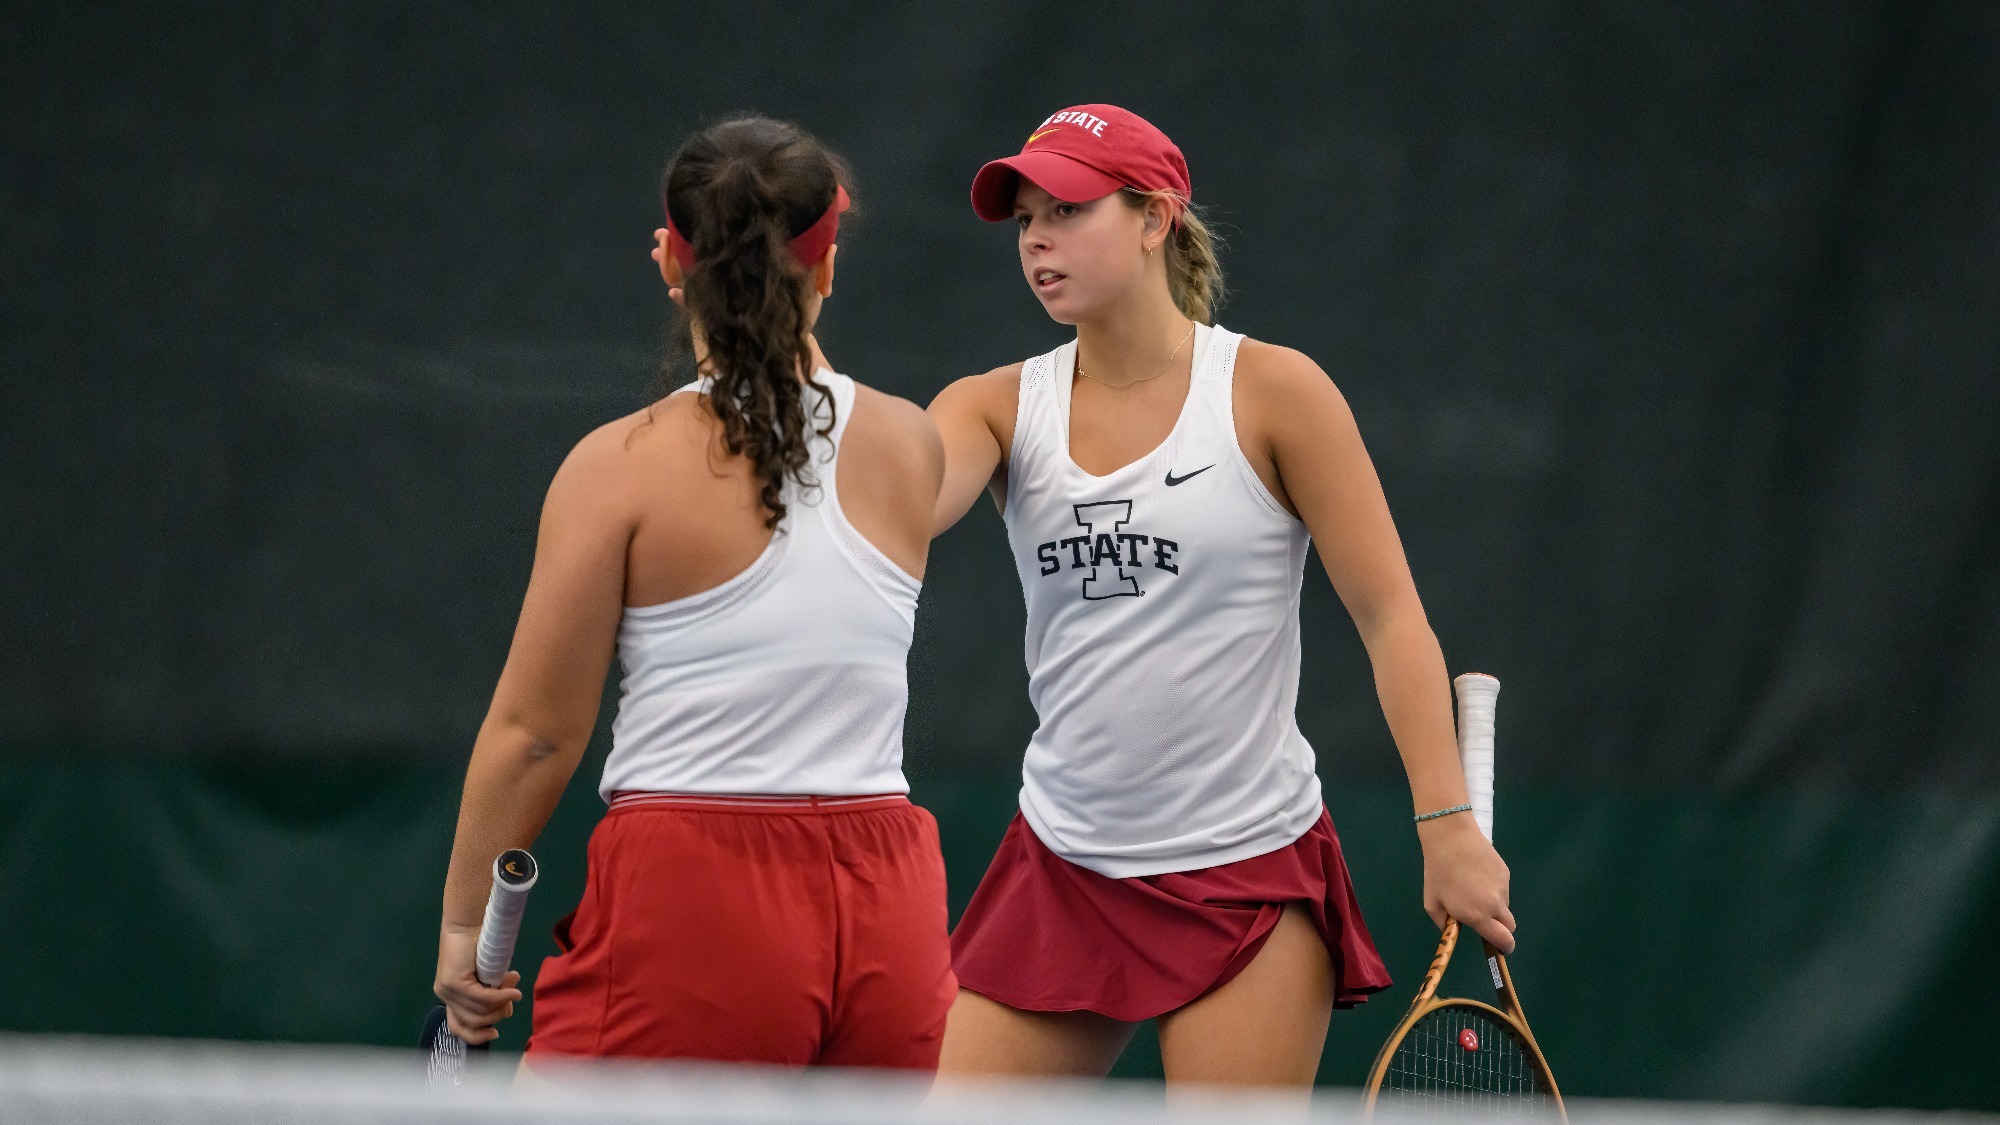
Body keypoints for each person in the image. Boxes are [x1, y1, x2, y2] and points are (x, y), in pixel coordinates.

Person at [926, 104, 1516, 1088]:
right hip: (1062, 866)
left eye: (1067, 209)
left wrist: (1446, 825)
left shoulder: (1274, 393)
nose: (1036, 238)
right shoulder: (989, 405)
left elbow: (1388, 618)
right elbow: (903, 501)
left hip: (1246, 874)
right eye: (1025, 216)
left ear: (1155, 216)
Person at [432, 116, 953, 1071]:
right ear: (827, 267)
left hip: (696, 893)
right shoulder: (915, 445)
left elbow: (535, 733)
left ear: (673, 262)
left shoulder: (616, 468)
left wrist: (464, 929)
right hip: (893, 912)